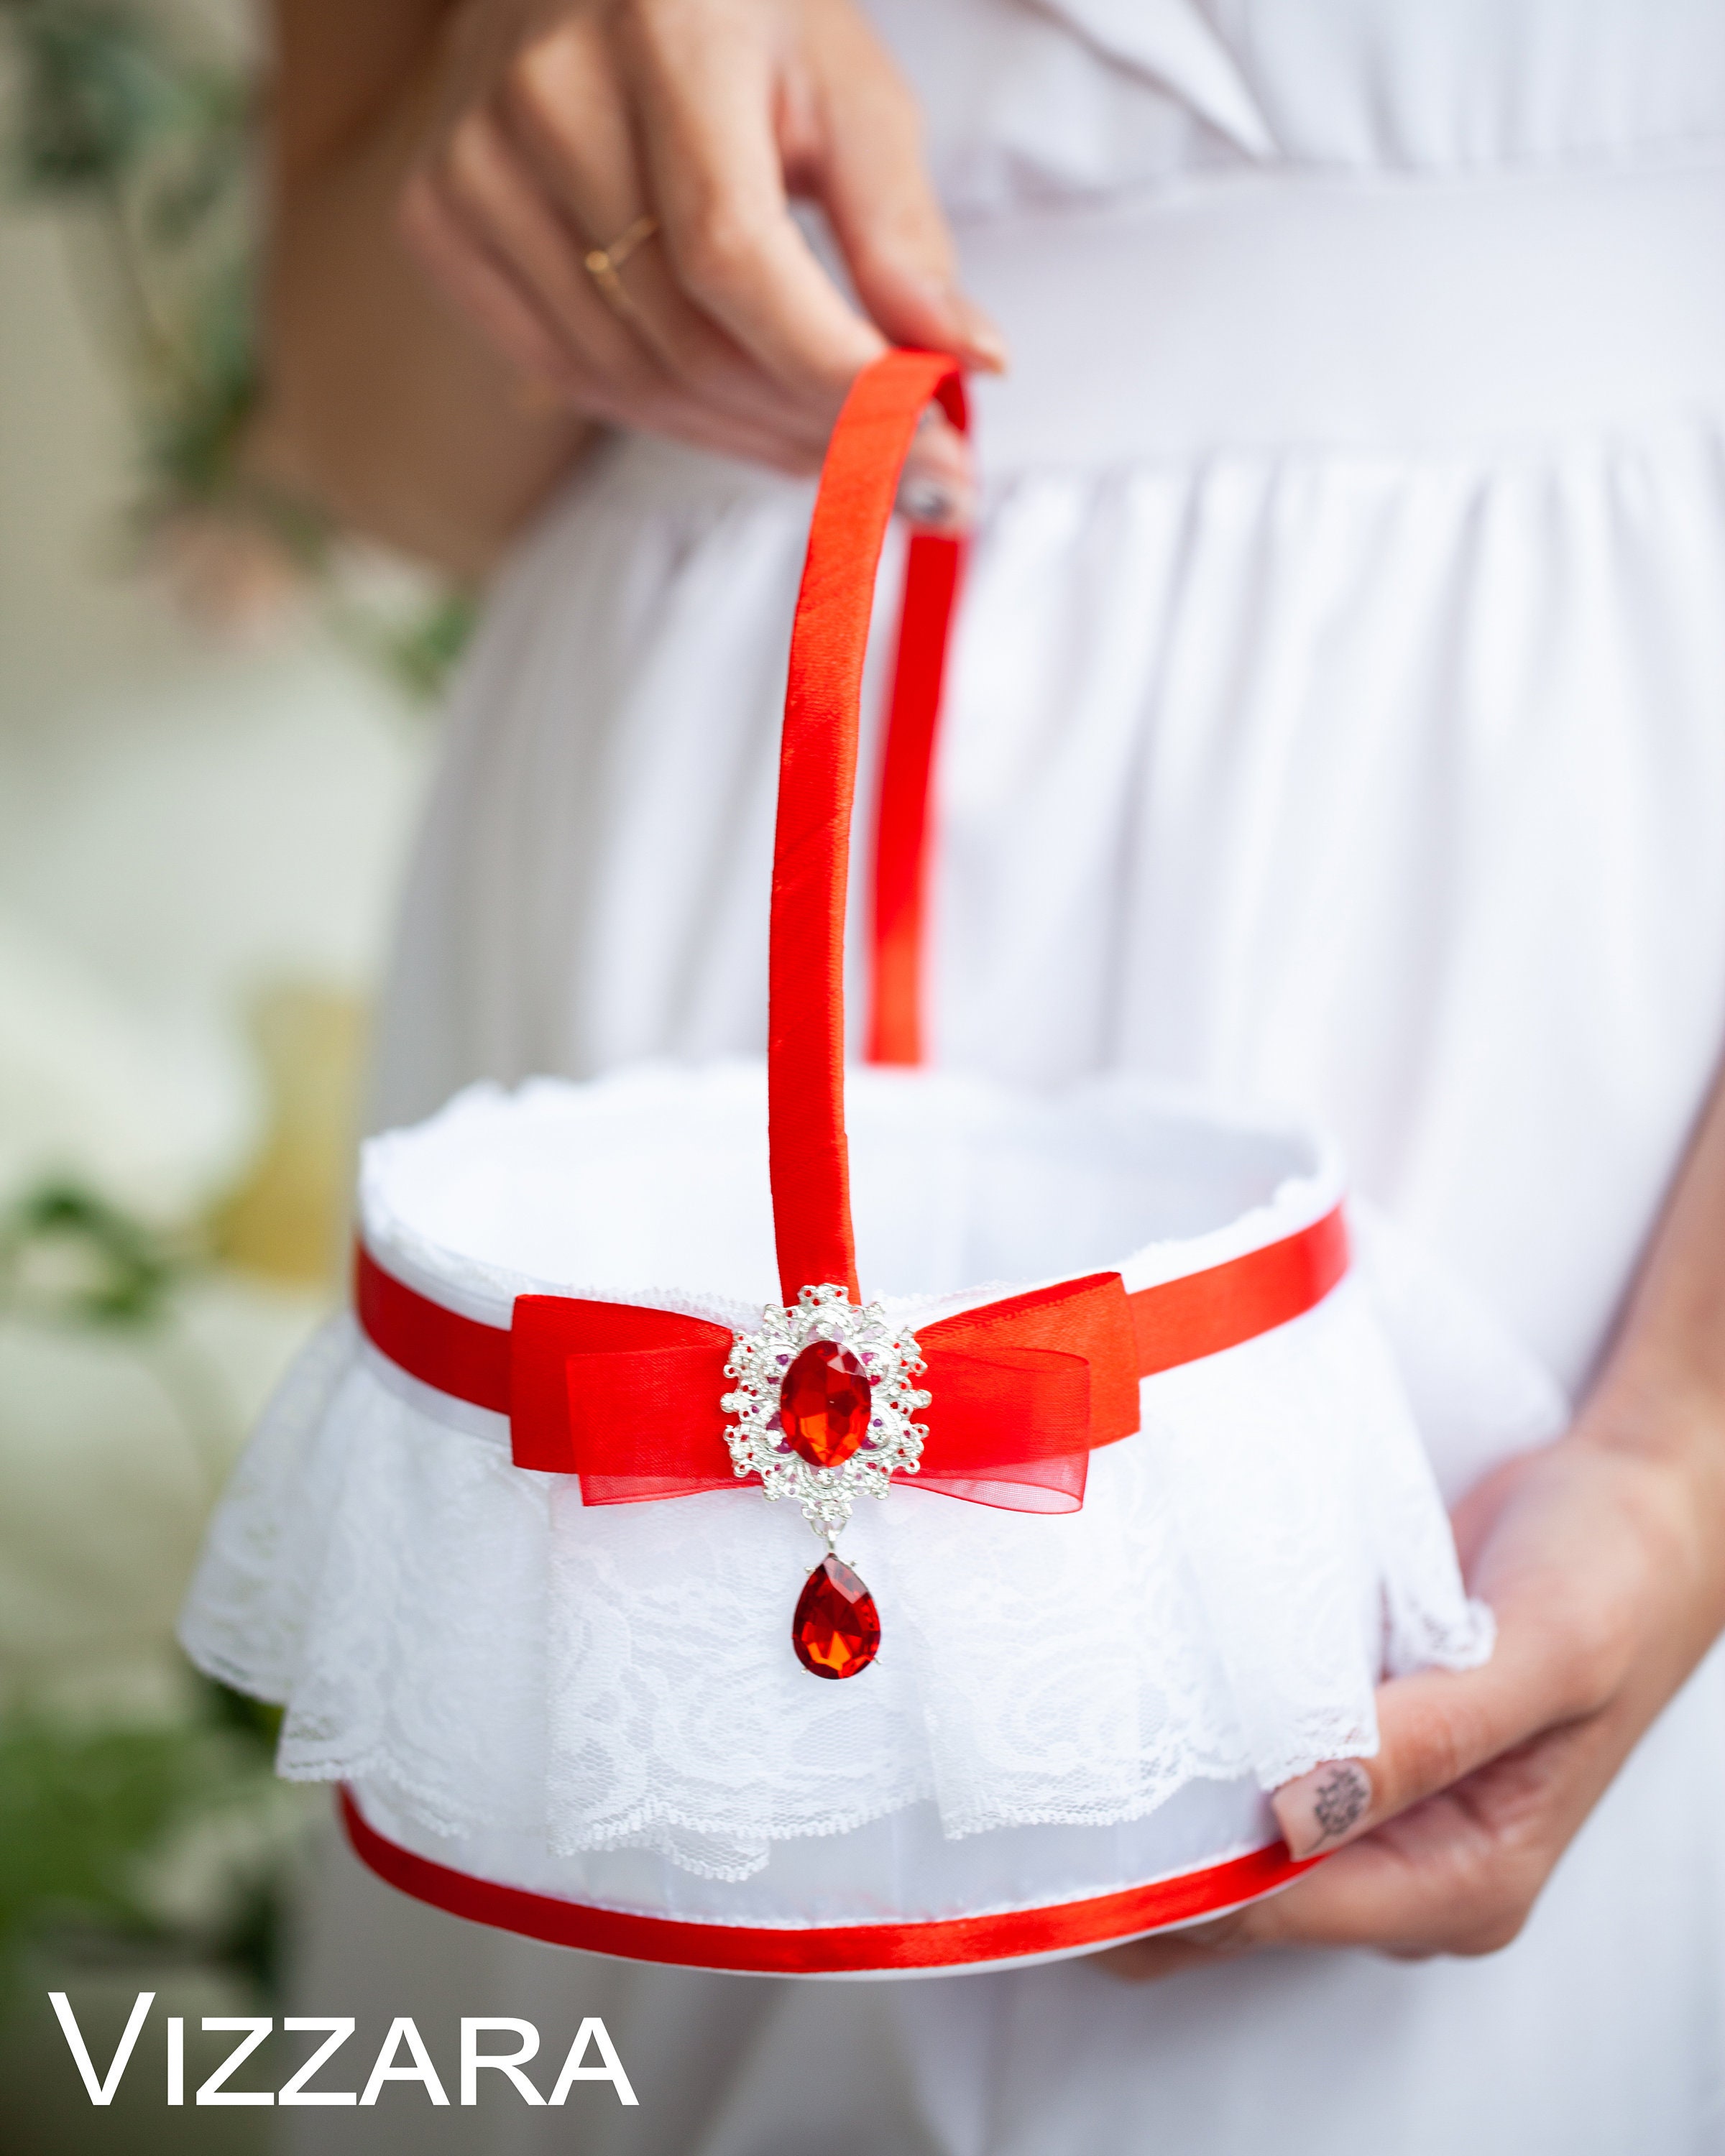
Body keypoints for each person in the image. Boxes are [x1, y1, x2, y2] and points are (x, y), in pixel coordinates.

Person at [264, 2, 1725, 2147]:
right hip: (697, 884)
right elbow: (365, 426)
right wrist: (554, 138)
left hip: (1549, 878)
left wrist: (1689, 1438)